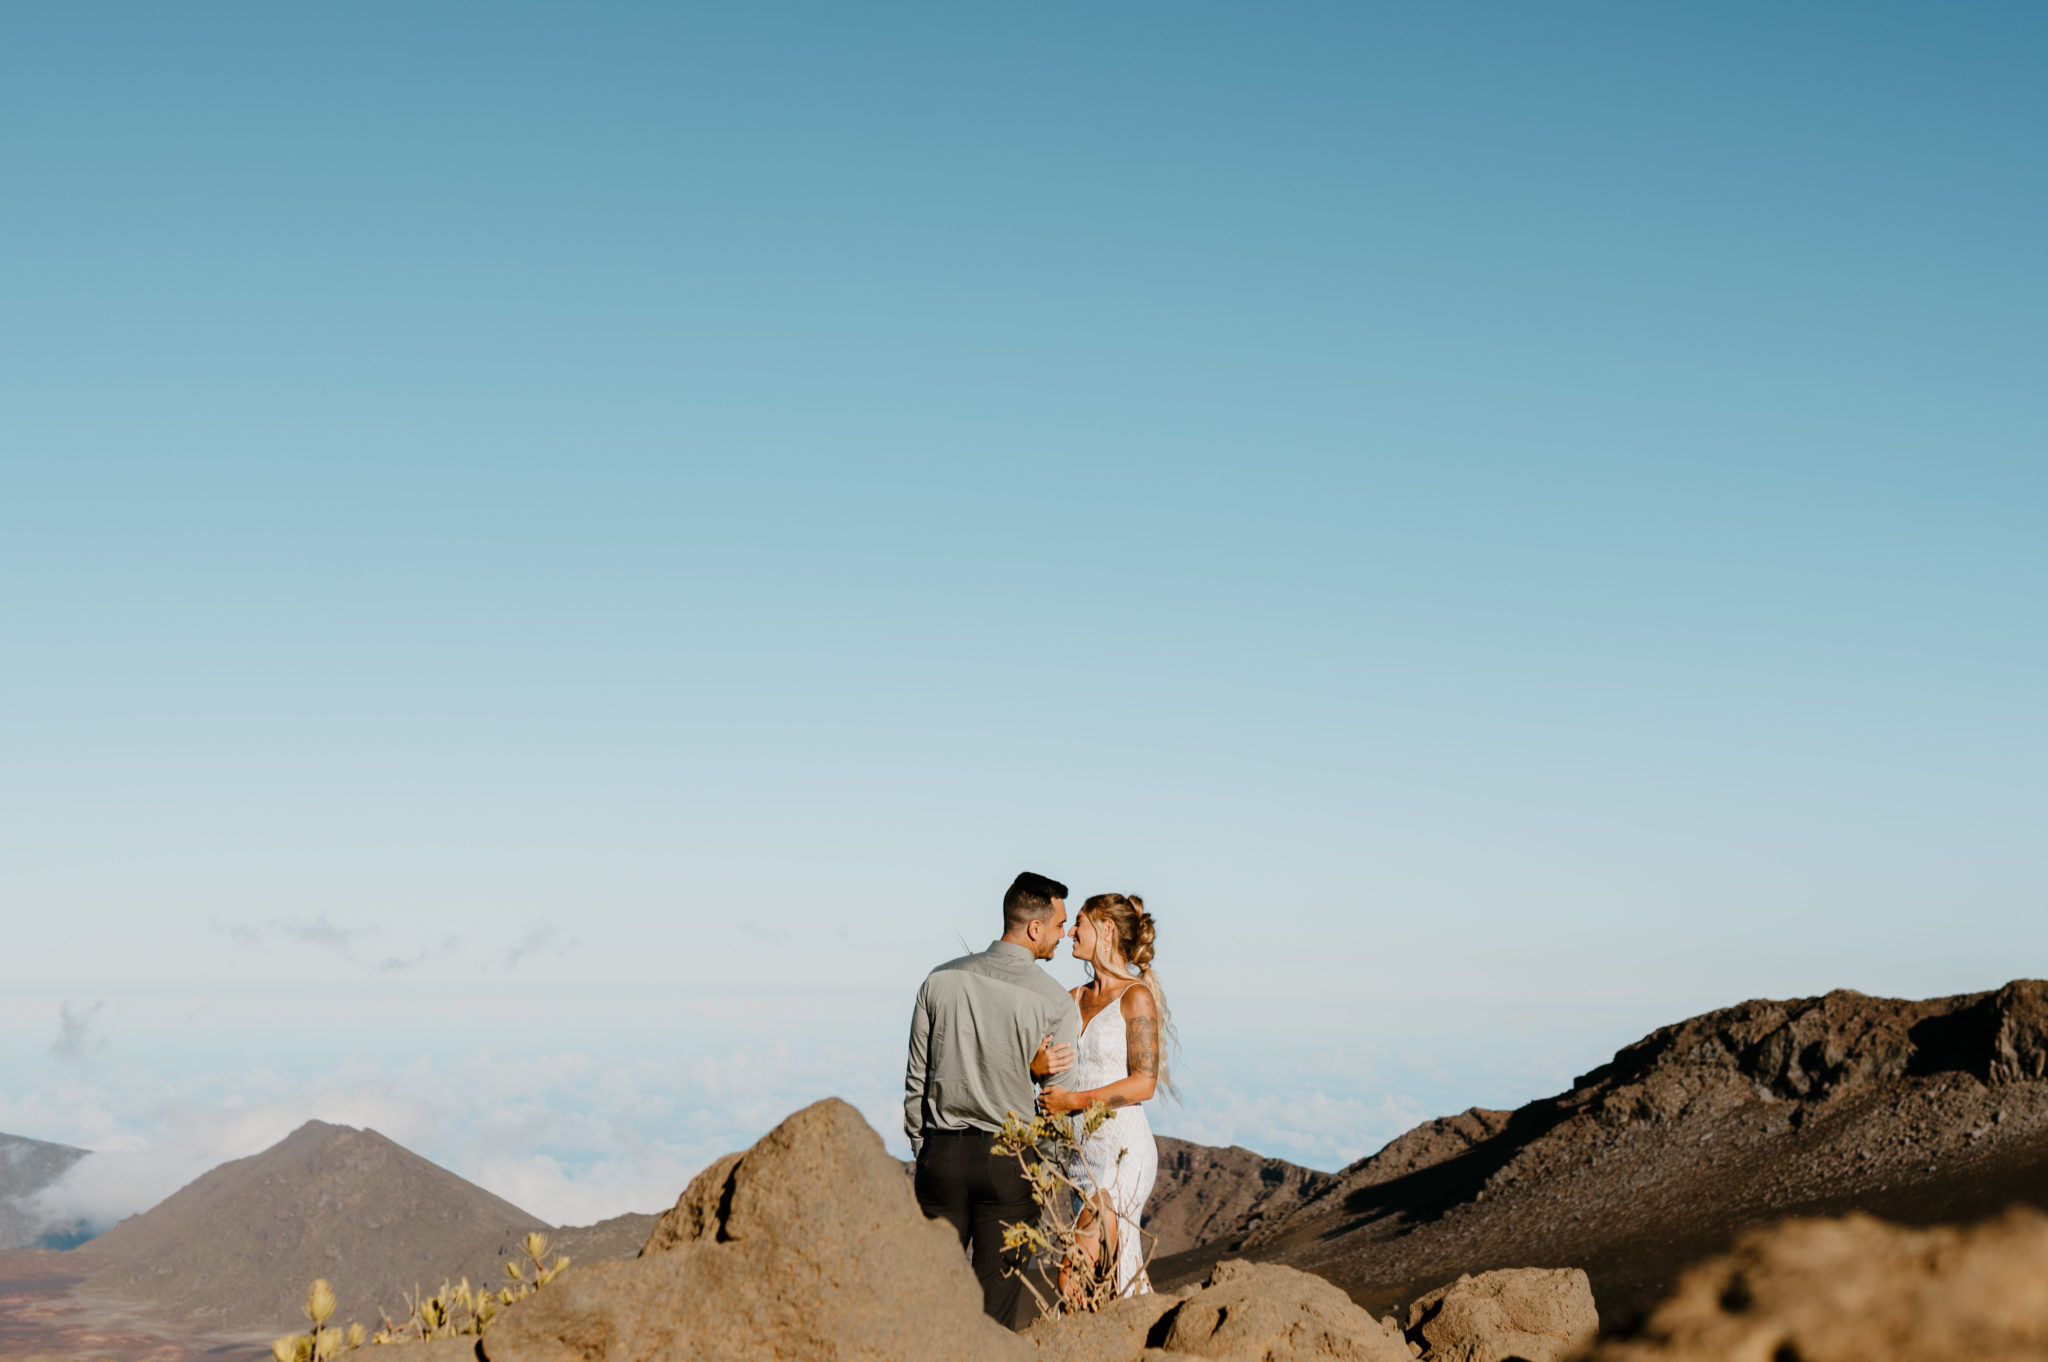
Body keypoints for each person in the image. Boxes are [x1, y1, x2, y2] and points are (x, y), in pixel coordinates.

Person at [905, 871, 1082, 1329]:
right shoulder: (1054, 1003)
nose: (1064, 934)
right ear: (1035, 928)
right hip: (1012, 1165)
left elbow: (916, 1080)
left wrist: (924, 1149)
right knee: (995, 1316)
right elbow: (1058, 1100)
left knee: (930, 1306)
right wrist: (1046, 1168)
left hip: (941, 1158)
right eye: (1059, 924)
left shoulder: (939, 981)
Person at [1039, 892, 1172, 1300]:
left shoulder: (1135, 997)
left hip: (1123, 1151)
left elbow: (1143, 1084)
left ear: (1106, 929)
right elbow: (1048, 1065)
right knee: (1108, 1273)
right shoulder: (1072, 999)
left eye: (1079, 922)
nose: (1071, 932)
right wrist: (1037, 1066)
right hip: (1083, 1156)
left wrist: (1073, 1102)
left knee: (1073, 1276)